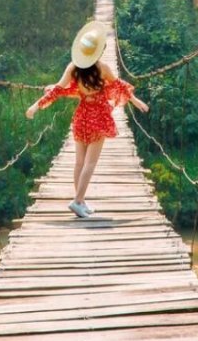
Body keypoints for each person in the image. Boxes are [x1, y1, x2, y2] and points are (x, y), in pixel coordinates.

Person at [25, 20, 149, 219]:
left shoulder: (73, 68)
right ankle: (77, 201)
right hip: (98, 117)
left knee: (79, 163)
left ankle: (80, 201)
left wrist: (35, 106)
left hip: (81, 116)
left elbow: (57, 90)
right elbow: (119, 86)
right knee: (90, 164)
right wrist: (135, 101)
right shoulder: (103, 68)